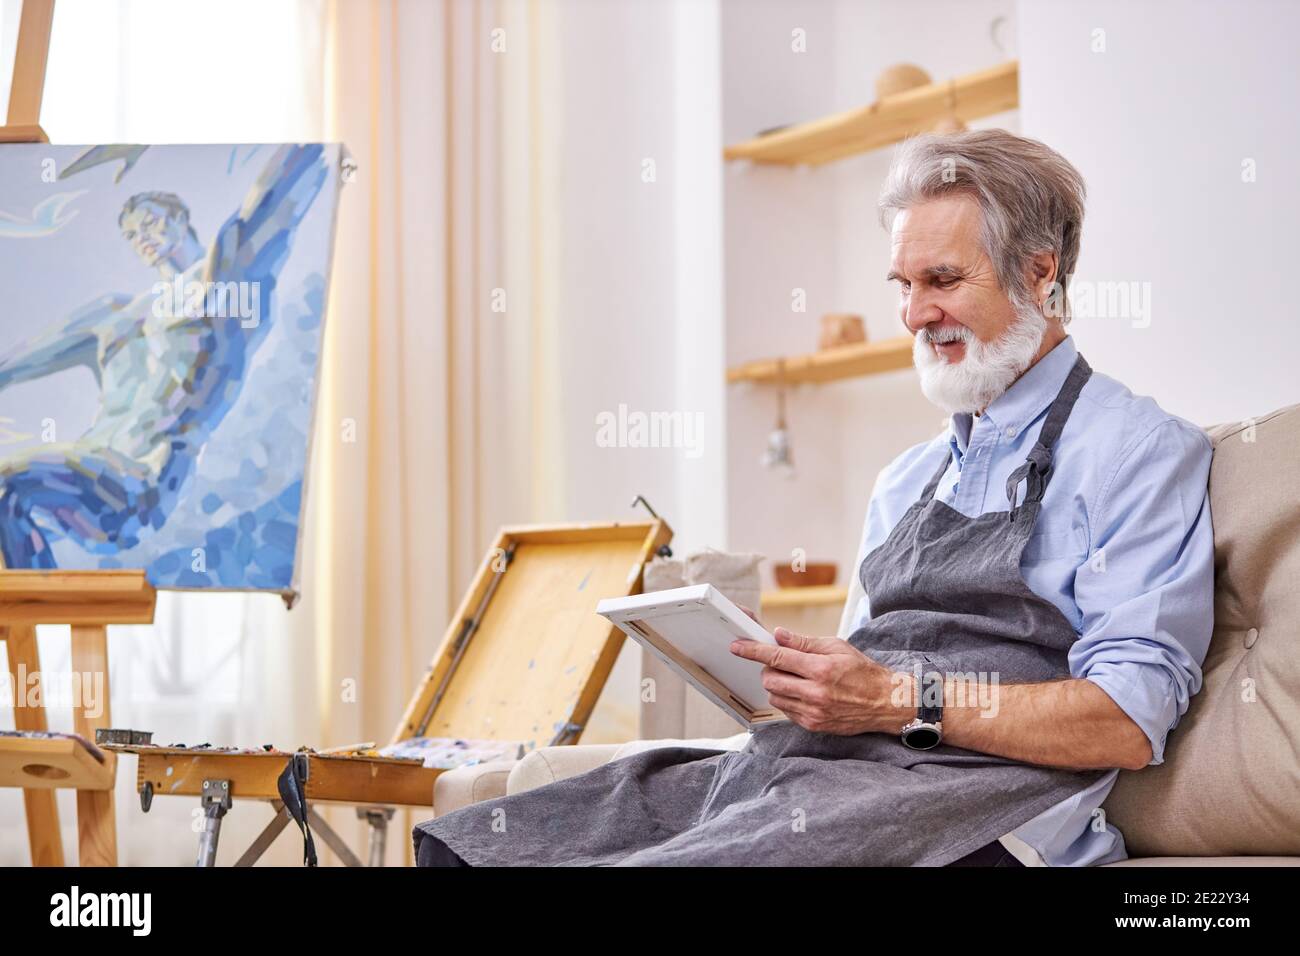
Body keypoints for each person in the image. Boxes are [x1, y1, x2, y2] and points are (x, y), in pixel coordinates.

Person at [413, 129, 1214, 866]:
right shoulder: (906, 478)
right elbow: (857, 686)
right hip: (819, 777)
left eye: (942, 280)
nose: (913, 314)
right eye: (902, 283)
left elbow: (1125, 718)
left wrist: (898, 698)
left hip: (973, 812)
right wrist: (788, 682)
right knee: (485, 843)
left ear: (1041, 272)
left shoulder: (1137, 451)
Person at [0, 145, 327, 569]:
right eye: (133, 235)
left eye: (151, 223)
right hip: (88, 475)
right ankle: (30, 610)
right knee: (10, 502)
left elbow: (269, 202)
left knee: (11, 477)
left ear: (179, 218)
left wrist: (315, 145)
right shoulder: (115, 315)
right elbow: (14, 366)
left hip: (143, 482)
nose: (143, 239)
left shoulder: (220, 285)